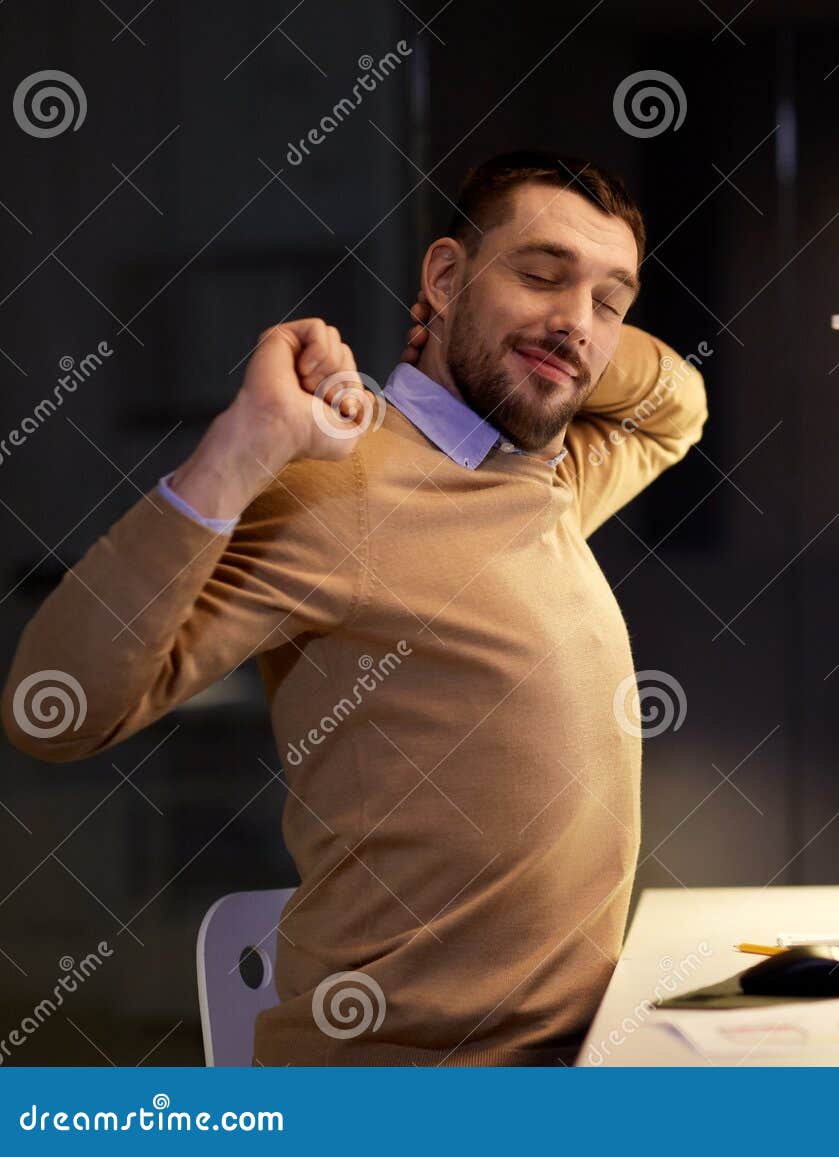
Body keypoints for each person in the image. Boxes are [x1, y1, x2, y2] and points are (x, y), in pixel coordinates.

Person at [3, 149, 708, 1065]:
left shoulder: (555, 478)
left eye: (612, 299)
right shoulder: (335, 487)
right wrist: (246, 444)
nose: (579, 318)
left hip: (574, 1068)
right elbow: (49, 707)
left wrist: (557, 335)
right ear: (447, 276)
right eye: (539, 274)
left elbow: (678, 407)